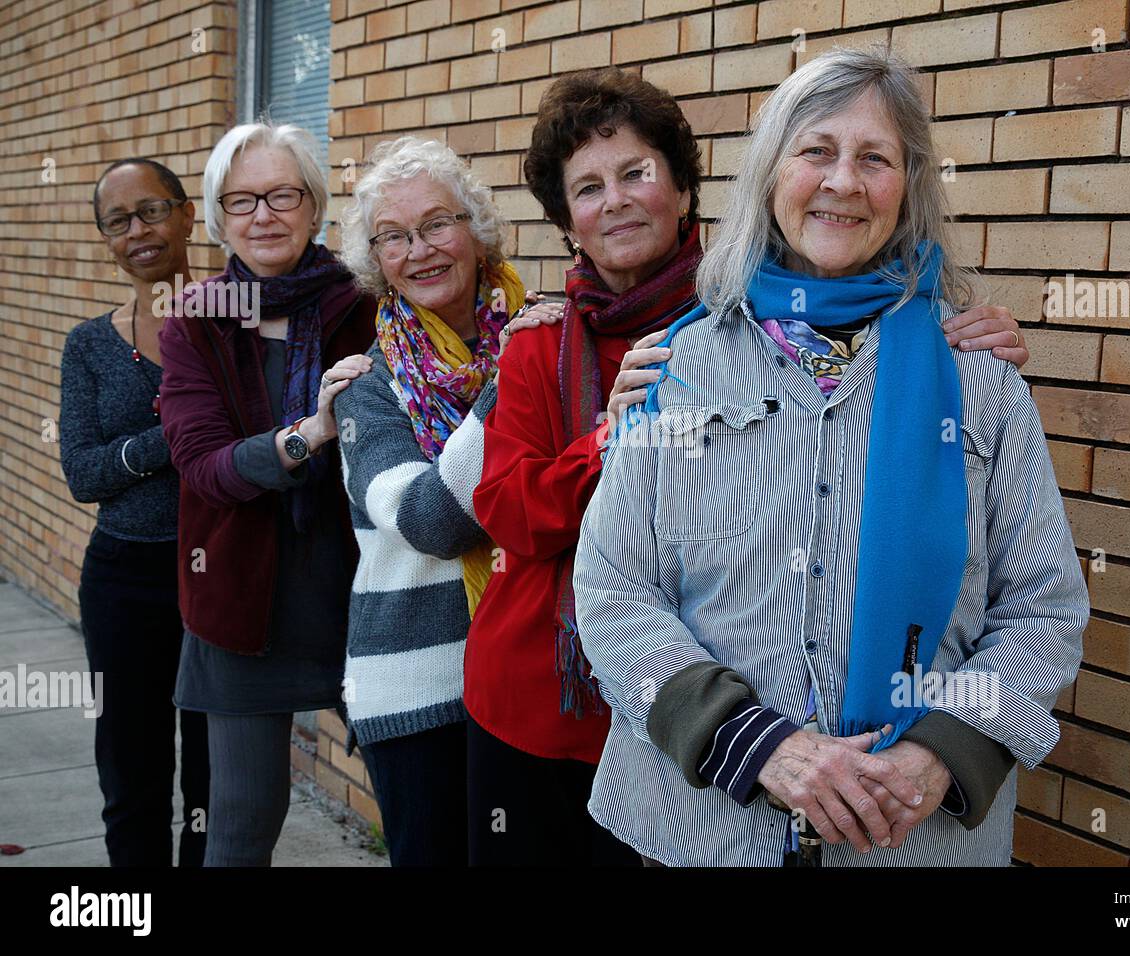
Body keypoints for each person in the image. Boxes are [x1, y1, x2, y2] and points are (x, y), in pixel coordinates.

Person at [465, 65, 1034, 865]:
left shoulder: (977, 374)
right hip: (703, 827)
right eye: (817, 151)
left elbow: (1042, 608)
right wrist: (757, 745)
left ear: (910, 186)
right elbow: (611, 584)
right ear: (770, 177)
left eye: (876, 158)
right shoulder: (677, 362)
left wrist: (942, 752)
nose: (843, 181)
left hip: (916, 837)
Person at [333, 136, 559, 865]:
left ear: (476, 230)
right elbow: (430, 520)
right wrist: (509, 387)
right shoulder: (367, 387)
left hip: (534, 671)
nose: (420, 249)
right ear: (377, 260)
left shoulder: (550, 335)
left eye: (437, 224)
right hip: (416, 688)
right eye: (394, 237)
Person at [158, 122, 376, 866]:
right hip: (241, 595)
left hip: (365, 593)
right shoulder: (195, 320)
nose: (263, 214)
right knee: (243, 826)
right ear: (219, 217)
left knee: (417, 808)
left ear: (314, 206)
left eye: (283, 194)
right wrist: (309, 432)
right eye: (242, 199)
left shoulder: (364, 300)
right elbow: (206, 468)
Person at [60, 158, 209, 866]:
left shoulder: (235, 321)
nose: (137, 231)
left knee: (216, 771)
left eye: (150, 211)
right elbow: (83, 473)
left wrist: (143, 447)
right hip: (123, 578)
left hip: (217, 572)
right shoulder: (89, 345)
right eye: (117, 222)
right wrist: (175, 435)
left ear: (185, 213)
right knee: (132, 769)